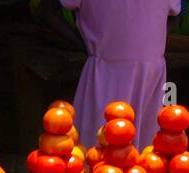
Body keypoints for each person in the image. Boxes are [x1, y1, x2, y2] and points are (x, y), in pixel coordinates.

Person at [58, 0, 180, 145]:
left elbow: (45, 10)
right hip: (119, 71)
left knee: (141, 149)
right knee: (103, 143)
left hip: (129, 72)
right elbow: (177, 14)